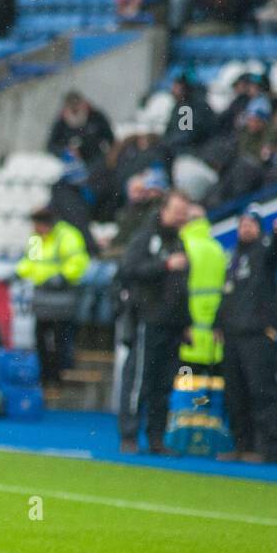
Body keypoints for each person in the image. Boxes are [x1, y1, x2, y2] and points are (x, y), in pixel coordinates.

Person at [117, 190, 193, 455]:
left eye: (184, 211)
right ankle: (129, 435)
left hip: (172, 324)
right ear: (164, 210)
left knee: (163, 385)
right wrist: (164, 266)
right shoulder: (145, 238)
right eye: (177, 210)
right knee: (139, 380)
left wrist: (187, 322)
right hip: (147, 320)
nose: (181, 216)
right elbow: (128, 269)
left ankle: (156, 437)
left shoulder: (180, 242)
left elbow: (183, 287)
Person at [213, 209, 277, 462]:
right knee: (235, 393)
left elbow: (275, 255)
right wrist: (217, 323)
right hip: (232, 335)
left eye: (251, 224)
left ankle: (267, 447)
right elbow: (227, 294)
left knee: (262, 391)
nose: (245, 228)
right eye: (242, 223)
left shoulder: (263, 254)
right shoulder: (232, 257)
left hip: (256, 334)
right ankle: (241, 444)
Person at [16, 207, 89, 384]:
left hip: (62, 297)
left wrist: (62, 277)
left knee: (59, 339)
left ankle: (59, 375)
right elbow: (29, 262)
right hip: (42, 297)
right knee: (40, 337)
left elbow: (78, 261)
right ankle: (44, 376)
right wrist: (18, 272)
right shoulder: (36, 239)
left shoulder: (68, 235)